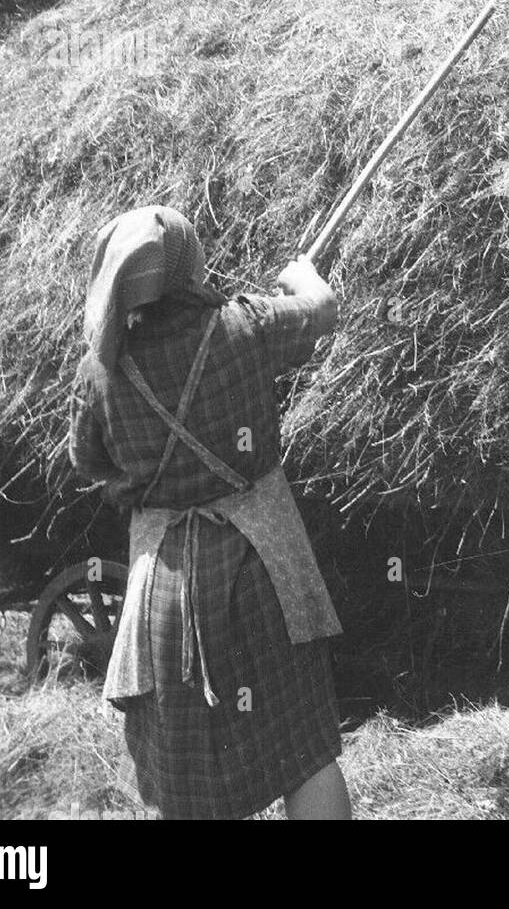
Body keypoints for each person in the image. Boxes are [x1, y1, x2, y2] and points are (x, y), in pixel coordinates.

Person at [68, 204, 350, 820]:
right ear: (187, 264)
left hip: (164, 594)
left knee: (190, 787)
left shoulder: (102, 372)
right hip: (263, 574)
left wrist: (149, 484)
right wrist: (300, 273)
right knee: (305, 753)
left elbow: (90, 461)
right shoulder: (244, 326)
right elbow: (323, 307)